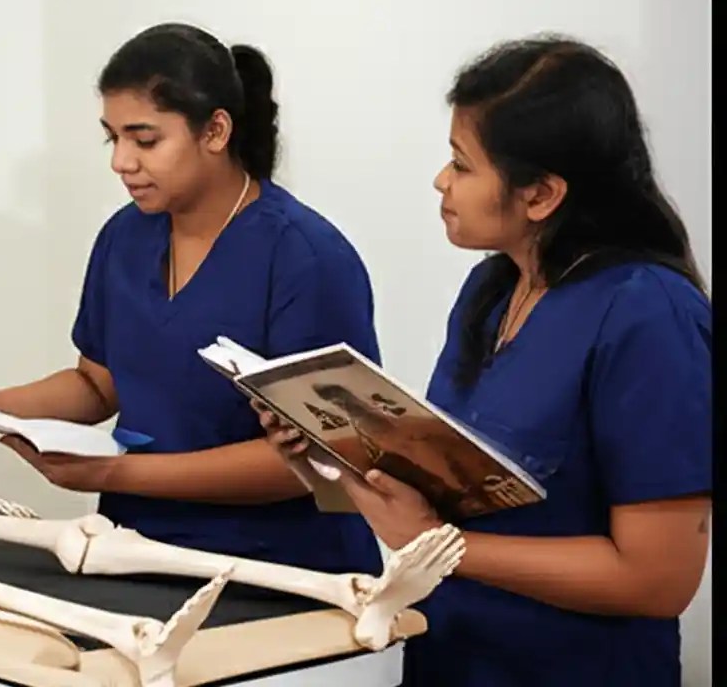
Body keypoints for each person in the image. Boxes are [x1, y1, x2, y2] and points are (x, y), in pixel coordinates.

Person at [257, 34, 711, 686]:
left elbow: (658, 580)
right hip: (451, 654)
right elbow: (444, 493)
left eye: (462, 165)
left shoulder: (649, 314)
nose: (441, 181)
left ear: (541, 195)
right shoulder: (493, 289)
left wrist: (444, 547)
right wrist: (326, 459)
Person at [0, 22, 384, 575]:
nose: (121, 162)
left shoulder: (305, 259)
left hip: (280, 570)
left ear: (215, 131)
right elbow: (97, 385)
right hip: (134, 551)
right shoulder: (125, 237)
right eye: (113, 138)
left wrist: (111, 474)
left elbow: (322, 458)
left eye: (145, 140)